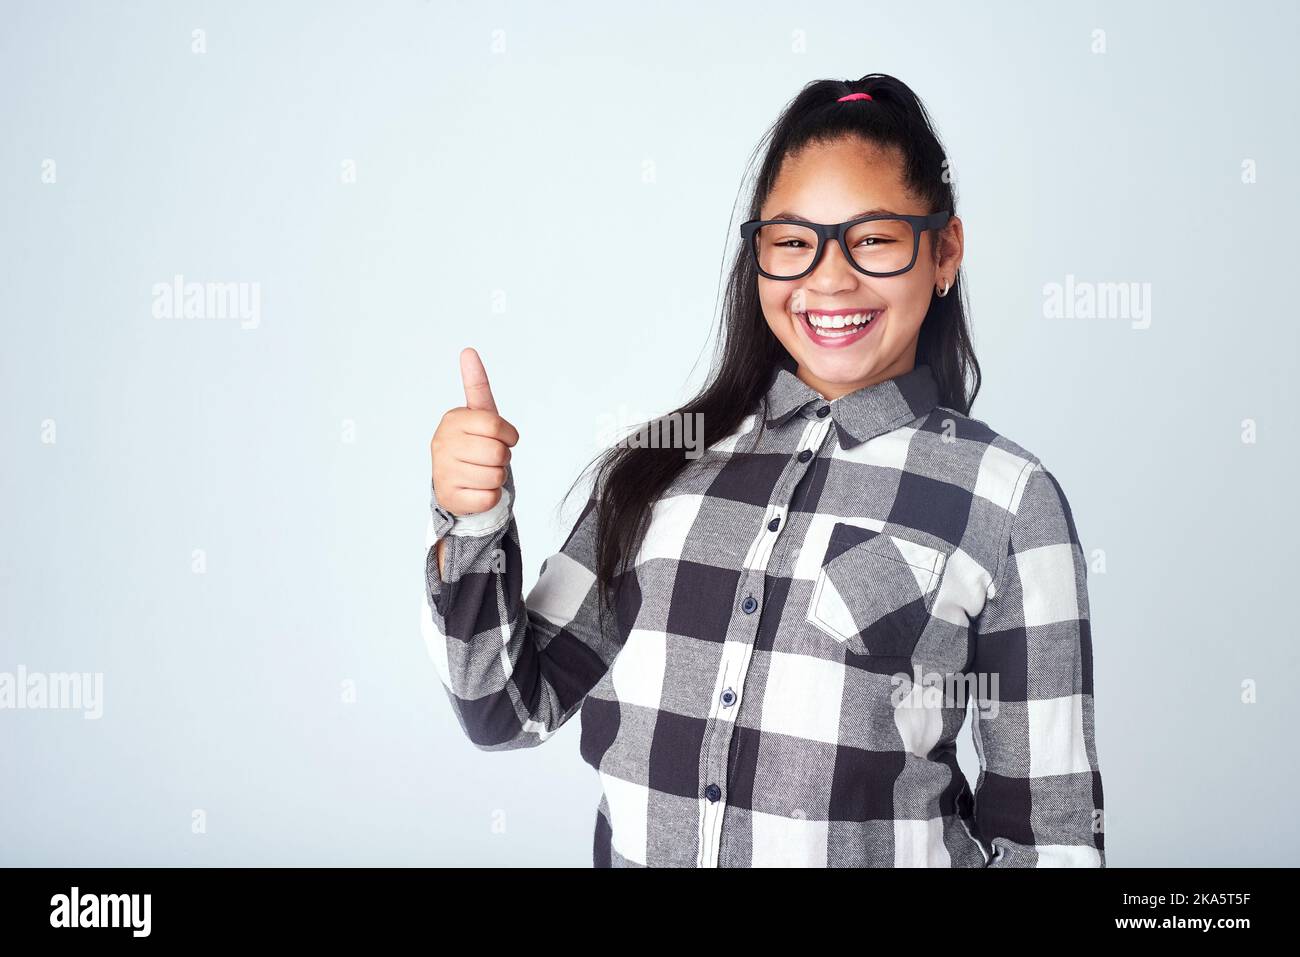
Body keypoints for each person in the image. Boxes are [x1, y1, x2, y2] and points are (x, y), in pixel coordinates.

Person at [422, 74, 1104, 868]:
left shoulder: (1008, 500)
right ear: (759, 260)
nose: (829, 277)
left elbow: (1049, 838)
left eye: (875, 238)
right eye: (792, 241)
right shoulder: (657, 470)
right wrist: (472, 519)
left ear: (944, 251)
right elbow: (503, 707)